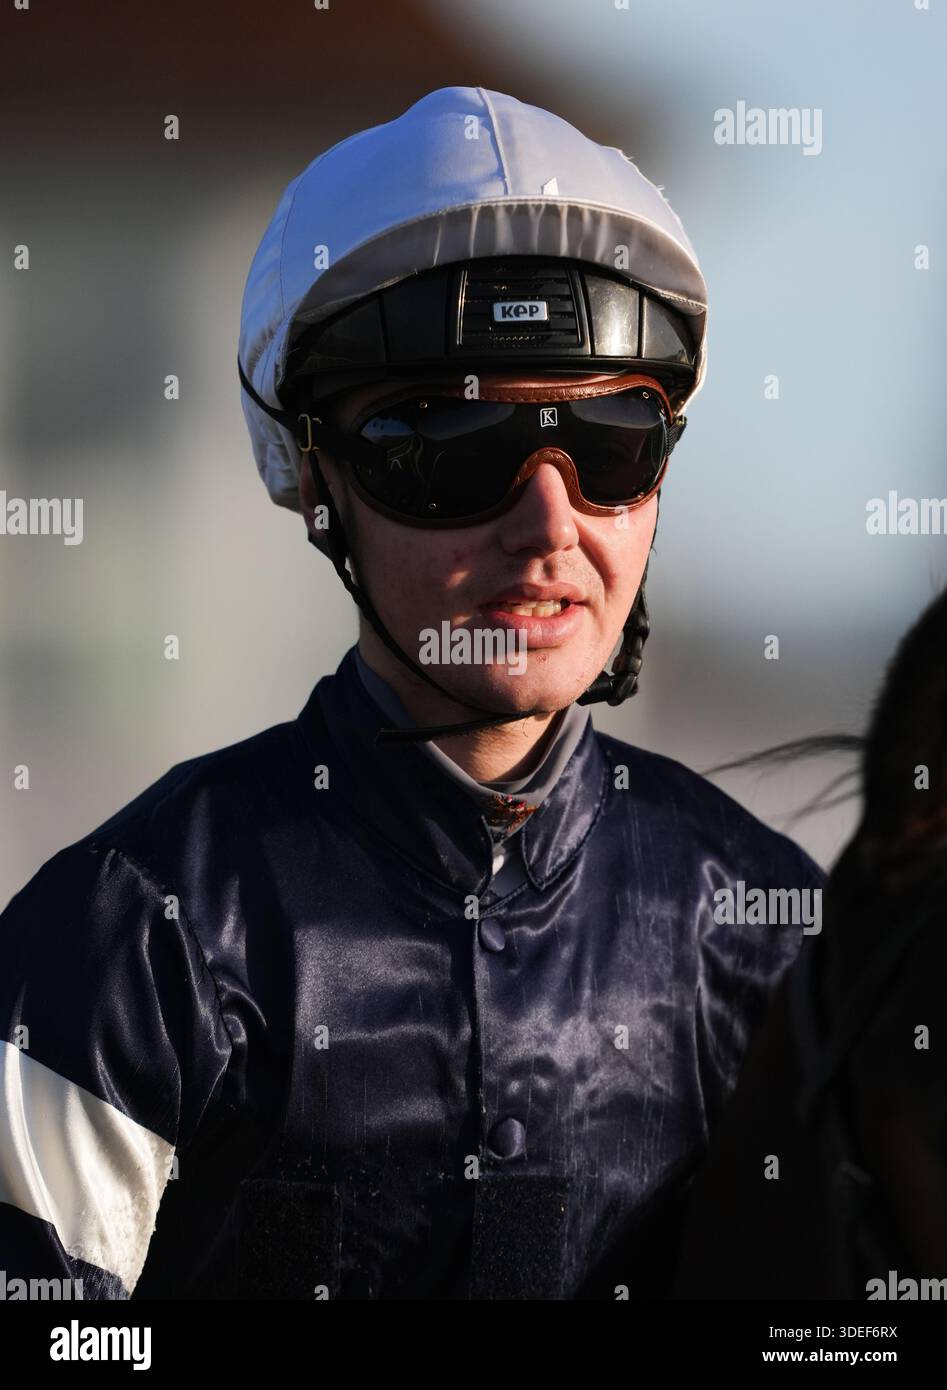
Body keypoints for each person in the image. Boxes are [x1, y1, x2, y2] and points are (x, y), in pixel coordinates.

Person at [0, 87, 824, 1300]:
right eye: (453, 443)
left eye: (608, 441)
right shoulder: (124, 941)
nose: (550, 527)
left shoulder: (772, 935)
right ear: (316, 480)